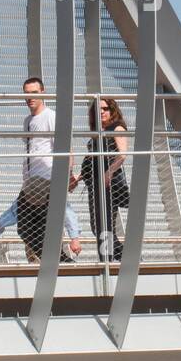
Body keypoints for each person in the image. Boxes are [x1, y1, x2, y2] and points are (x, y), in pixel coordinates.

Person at [0, 77, 82, 263]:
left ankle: (64, 254)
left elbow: (66, 147)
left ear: (43, 93)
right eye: (26, 94)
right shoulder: (28, 121)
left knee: (49, 217)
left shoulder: (51, 117)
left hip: (48, 178)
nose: (30, 97)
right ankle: (60, 261)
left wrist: (68, 175)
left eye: (34, 93)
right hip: (32, 182)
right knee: (25, 226)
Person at [72, 96, 130, 262]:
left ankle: (110, 260)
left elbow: (122, 154)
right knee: (97, 225)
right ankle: (121, 257)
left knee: (104, 225)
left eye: (105, 108)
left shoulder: (116, 128)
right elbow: (92, 160)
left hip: (108, 184)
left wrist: (109, 172)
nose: (102, 112)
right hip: (95, 185)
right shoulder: (98, 132)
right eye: (98, 109)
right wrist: (78, 177)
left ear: (112, 110)